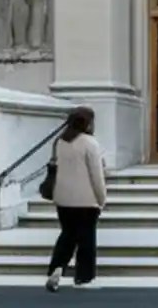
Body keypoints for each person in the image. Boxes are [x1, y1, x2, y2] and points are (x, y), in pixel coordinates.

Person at [46, 106, 107, 292]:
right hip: (86, 200)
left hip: (63, 199)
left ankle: (57, 268)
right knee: (86, 239)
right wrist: (101, 198)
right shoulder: (90, 143)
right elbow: (96, 175)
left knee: (67, 236)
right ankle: (84, 277)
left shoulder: (60, 142)